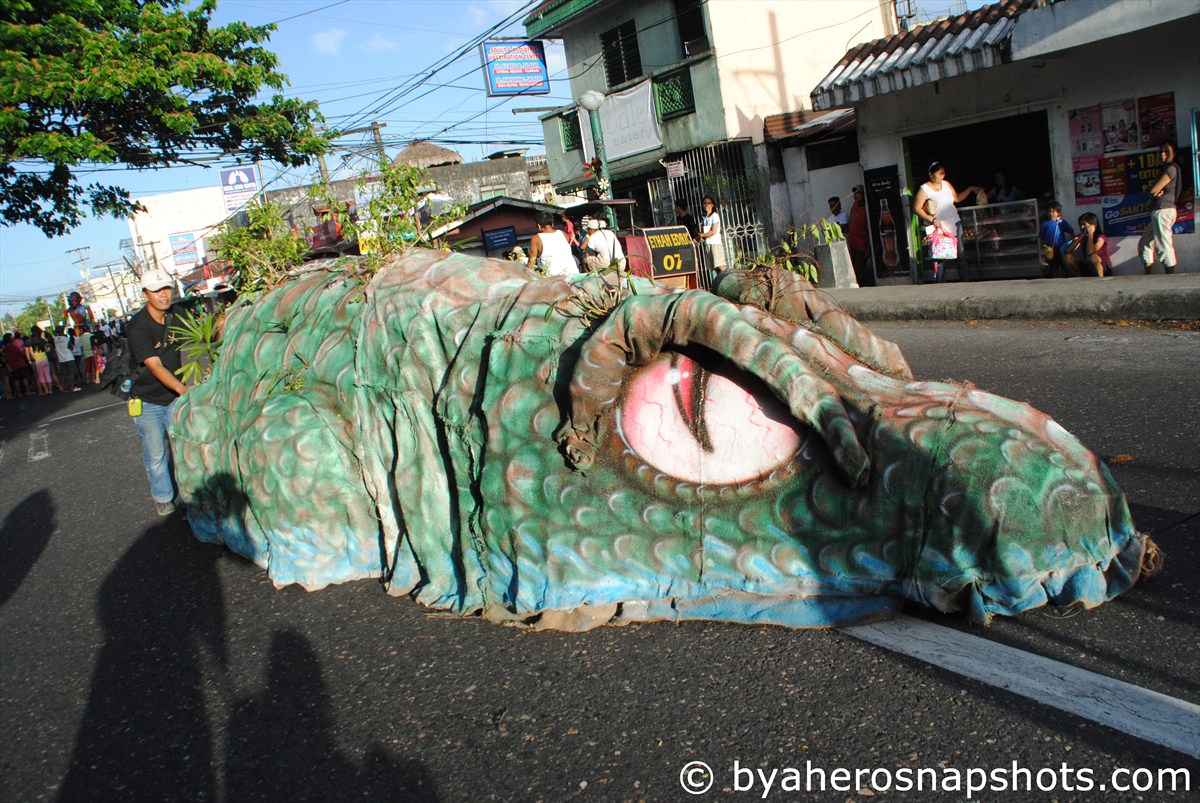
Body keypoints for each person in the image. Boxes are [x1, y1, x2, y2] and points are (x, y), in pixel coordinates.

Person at [128, 269, 189, 516]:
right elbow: (155, 366)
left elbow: (196, 342)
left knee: (184, 449)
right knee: (156, 453)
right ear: (145, 295)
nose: (164, 295)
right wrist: (184, 389)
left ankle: (189, 498)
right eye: (156, 291)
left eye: (166, 289)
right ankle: (163, 496)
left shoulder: (179, 315)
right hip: (148, 399)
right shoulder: (138, 327)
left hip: (175, 396)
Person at [913, 163, 985, 282]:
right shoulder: (924, 189)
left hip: (953, 223)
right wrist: (932, 219)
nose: (942, 176)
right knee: (939, 257)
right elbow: (916, 208)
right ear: (931, 175)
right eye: (939, 174)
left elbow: (956, 198)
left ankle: (965, 280)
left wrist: (970, 189)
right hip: (937, 226)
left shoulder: (946, 184)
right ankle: (941, 284)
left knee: (960, 254)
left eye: (943, 174)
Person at [1139, 142, 1179, 274]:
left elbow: (1154, 190)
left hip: (1163, 209)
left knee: (1163, 242)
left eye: (1166, 152)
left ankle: (1170, 273)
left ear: (1173, 153)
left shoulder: (1171, 169)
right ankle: (1148, 272)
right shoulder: (1165, 169)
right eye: (1161, 151)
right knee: (1145, 242)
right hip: (1158, 209)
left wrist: (1155, 191)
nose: (1162, 155)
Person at [527, 211, 578, 276]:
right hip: (574, 274)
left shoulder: (536, 239)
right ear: (552, 224)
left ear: (539, 226)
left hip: (554, 279)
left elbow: (531, 262)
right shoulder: (562, 233)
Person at [1064, 212, 1112, 278]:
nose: (1082, 227)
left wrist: (1090, 234)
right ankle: (1078, 279)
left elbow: (1091, 252)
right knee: (1067, 257)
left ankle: (1100, 280)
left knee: (1093, 256)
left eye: (1084, 224)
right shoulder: (1082, 236)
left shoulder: (1101, 237)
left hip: (1102, 268)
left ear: (1093, 225)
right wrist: (1081, 236)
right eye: (1080, 225)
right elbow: (1068, 251)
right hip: (1088, 266)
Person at [1038, 201, 1075, 279]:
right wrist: (1043, 247)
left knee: (1063, 264)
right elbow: (1041, 236)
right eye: (1049, 211)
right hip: (1049, 248)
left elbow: (1070, 230)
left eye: (1053, 211)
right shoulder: (1045, 224)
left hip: (1060, 248)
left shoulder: (1062, 222)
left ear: (1058, 213)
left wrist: (1073, 239)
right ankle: (1056, 280)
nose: (1051, 213)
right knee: (1053, 266)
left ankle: (1066, 278)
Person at [846, 185, 873, 287]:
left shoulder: (866, 208)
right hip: (852, 243)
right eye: (854, 194)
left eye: (858, 193)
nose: (856, 196)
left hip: (861, 245)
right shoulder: (854, 206)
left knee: (860, 269)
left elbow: (869, 229)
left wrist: (868, 248)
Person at [698, 196, 726, 280]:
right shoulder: (705, 218)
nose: (706, 205)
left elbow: (713, 231)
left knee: (720, 266)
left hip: (715, 243)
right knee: (715, 268)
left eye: (709, 203)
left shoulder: (715, 216)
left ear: (712, 205)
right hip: (708, 244)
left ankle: (728, 281)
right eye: (705, 203)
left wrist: (702, 235)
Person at [25, 326, 54, 396]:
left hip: (37, 361)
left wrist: (29, 361)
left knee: (40, 377)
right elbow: (49, 349)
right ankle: (50, 390)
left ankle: (45, 390)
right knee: (48, 375)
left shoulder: (30, 342)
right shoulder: (42, 341)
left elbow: (31, 355)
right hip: (45, 359)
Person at [52, 325, 77, 392]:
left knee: (63, 375)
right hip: (69, 357)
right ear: (63, 330)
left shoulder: (55, 339)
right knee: (71, 373)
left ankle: (64, 388)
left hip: (61, 358)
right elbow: (71, 347)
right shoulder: (66, 339)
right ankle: (72, 387)